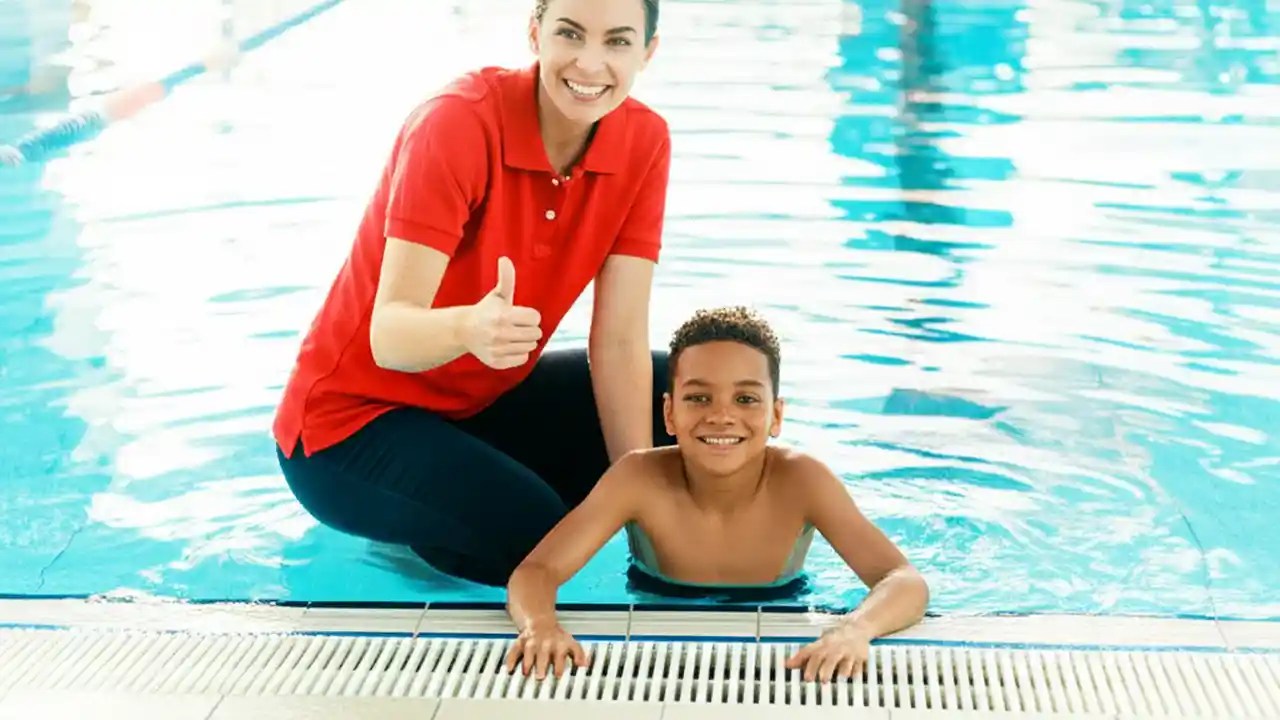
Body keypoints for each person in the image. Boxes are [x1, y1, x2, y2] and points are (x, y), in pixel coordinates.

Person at [272, 0, 674, 587]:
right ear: (535, 33)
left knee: (675, 399)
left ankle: (464, 494)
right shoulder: (457, 123)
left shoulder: (644, 141)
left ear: (647, 52)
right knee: (539, 539)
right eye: (570, 33)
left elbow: (617, 341)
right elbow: (391, 336)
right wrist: (466, 329)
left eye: (617, 41)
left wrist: (641, 504)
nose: (590, 64)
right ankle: (415, 537)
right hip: (349, 429)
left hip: (472, 410)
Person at [503, 306, 931, 682]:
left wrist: (855, 628)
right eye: (699, 397)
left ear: (776, 415)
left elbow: (903, 581)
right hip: (658, 624)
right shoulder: (638, 478)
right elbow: (535, 572)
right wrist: (540, 626)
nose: (722, 416)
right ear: (669, 413)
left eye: (745, 398)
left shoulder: (802, 481)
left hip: (782, 627)